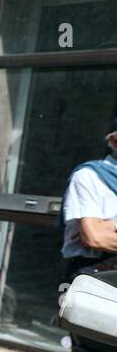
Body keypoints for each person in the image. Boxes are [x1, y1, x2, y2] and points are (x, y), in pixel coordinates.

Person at [61, 118, 117, 278]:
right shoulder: (88, 176)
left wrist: (109, 226)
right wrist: (99, 229)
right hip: (95, 275)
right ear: (113, 140)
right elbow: (95, 237)